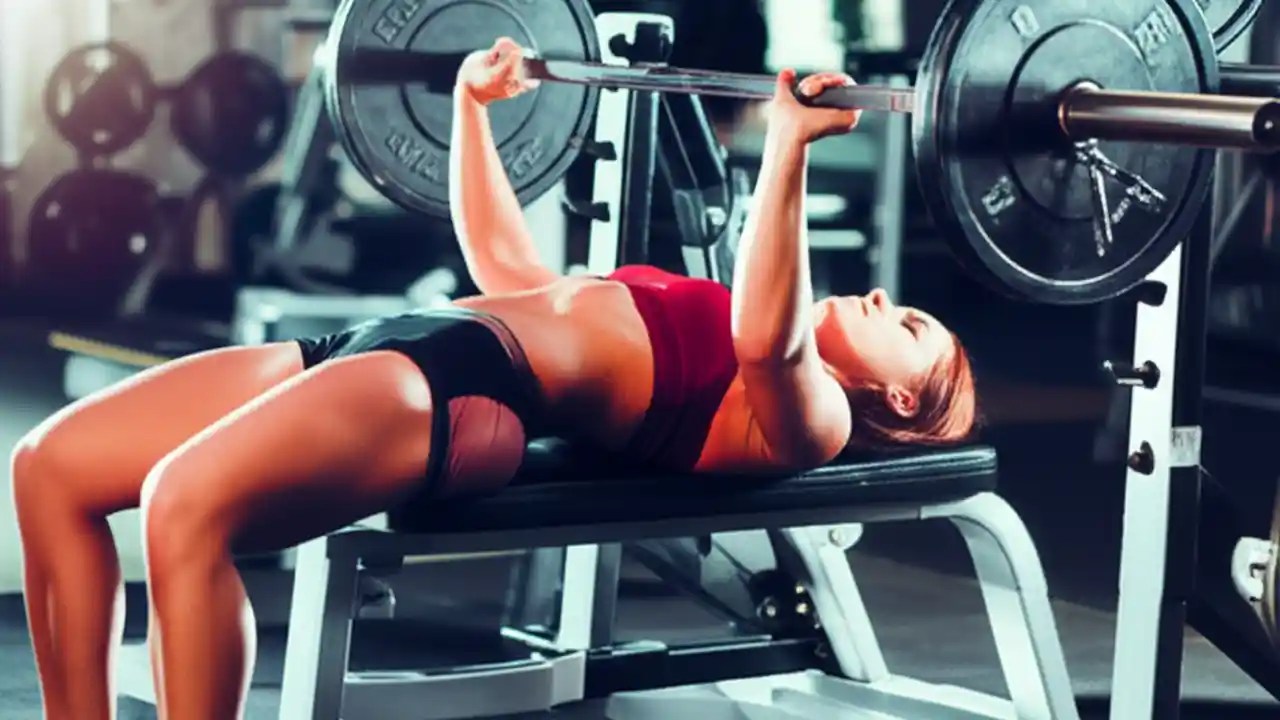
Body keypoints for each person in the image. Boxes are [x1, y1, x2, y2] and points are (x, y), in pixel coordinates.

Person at [9, 37, 976, 720]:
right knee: (50, 467)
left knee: (183, 504)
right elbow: (511, 273)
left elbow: (770, 342)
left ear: (902, 399)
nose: (884, 296)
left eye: (910, 327)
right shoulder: (728, 310)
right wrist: (471, 114)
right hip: (397, 340)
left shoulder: (811, 422)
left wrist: (788, 147)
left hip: (465, 386)